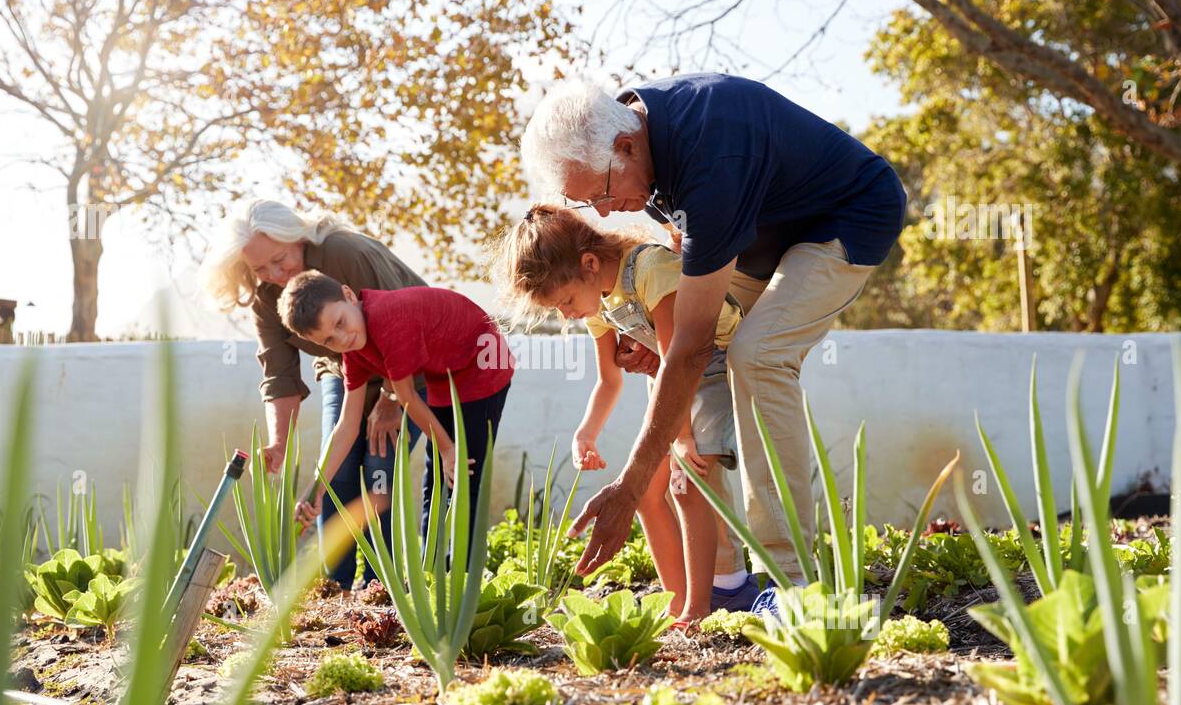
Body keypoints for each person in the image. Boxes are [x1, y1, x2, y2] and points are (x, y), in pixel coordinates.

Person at [520, 73, 906, 614]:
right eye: (589, 203)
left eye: (603, 194)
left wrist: (630, 487)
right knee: (699, 383)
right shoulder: (637, 140)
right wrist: (663, 350)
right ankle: (726, 582)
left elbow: (694, 343)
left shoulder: (710, 158)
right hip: (762, 237)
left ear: (625, 146)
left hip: (845, 218)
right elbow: (688, 323)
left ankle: (791, 583)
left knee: (756, 355)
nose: (605, 214)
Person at [499, 203, 750, 623]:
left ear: (590, 264)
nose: (567, 314)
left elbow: (680, 358)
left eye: (565, 301)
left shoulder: (652, 270)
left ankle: (705, 605)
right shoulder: (597, 302)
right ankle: (676, 601)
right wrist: (586, 432)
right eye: (557, 309)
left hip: (710, 370)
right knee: (647, 494)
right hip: (672, 385)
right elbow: (609, 380)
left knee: (687, 483)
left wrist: (683, 437)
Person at [201, 198, 426, 589]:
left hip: (410, 364)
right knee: (336, 473)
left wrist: (392, 400)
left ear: (297, 236)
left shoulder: (344, 253)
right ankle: (334, 589)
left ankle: (380, 587)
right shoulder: (267, 300)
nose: (275, 273)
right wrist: (279, 442)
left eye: (280, 258)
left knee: (379, 470)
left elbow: (404, 322)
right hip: (347, 370)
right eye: (259, 268)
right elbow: (279, 374)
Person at [278, 271, 515, 546]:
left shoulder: (389, 318)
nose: (341, 339)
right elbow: (346, 426)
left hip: (483, 364)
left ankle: (462, 577)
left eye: (340, 323)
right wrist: (315, 490)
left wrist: (449, 449)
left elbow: (407, 397)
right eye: (329, 340)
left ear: (349, 295)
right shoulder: (353, 351)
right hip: (444, 375)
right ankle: (433, 570)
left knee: (465, 472)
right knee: (438, 477)